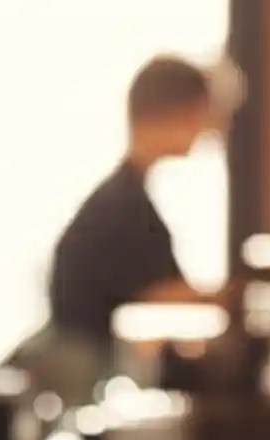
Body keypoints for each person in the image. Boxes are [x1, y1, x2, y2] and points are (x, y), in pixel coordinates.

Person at [49, 56, 221, 349]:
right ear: (172, 115)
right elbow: (161, 295)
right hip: (93, 367)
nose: (205, 128)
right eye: (199, 115)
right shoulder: (120, 207)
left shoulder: (126, 196)